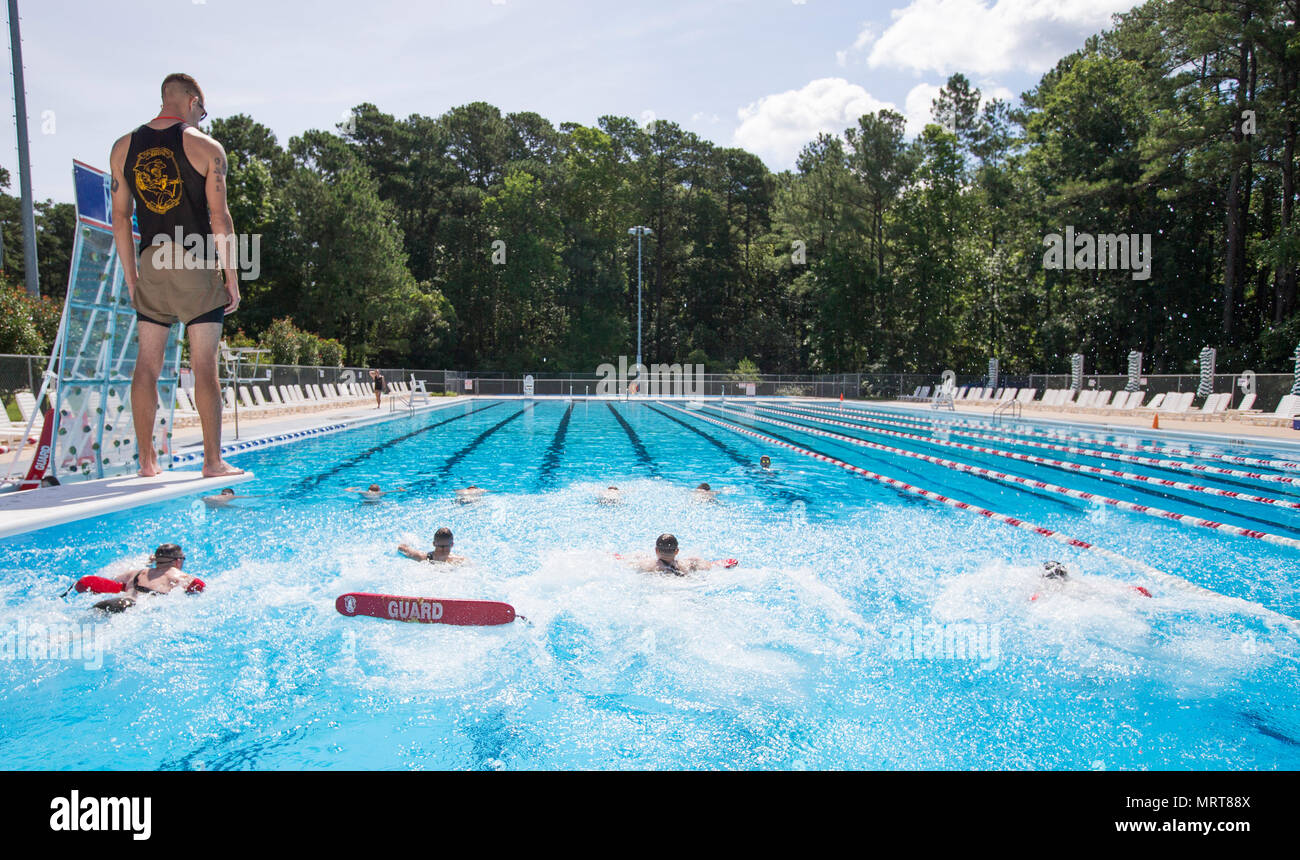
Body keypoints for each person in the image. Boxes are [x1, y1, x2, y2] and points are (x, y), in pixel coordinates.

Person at [110, 73, 242, 479]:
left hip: (151, 261)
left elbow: (120, 216)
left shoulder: (123, 147)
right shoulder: (206, 148)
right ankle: (212, 462)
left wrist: (132, 277)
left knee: (146, 366)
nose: (203, 116)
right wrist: (231, 277)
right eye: (202, 109)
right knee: (204, 365)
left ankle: (146, 463)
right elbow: (219, 219)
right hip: (194, 260)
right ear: (190, 101)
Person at [95, 543, 205, 612]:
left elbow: (106, 583)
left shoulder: (136, 572)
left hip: (113, 602)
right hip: (132, 610)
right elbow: (203, 590)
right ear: (178, 560)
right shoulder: (181, 577)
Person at [1030, 560, 1151, 601]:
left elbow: (1036, 599)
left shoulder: (1049, 586)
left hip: (1077, 600)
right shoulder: (1077, 581)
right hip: (1092, 593)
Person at [633, 534, 729, 575]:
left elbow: (625, 563)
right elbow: (712, 566)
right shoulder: (690, 563)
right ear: (677, 551)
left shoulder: (646, 565)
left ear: (656, 550)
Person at [398, 527, 466, 564]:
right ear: (434, 544)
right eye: (440, 546)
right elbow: (401, 548)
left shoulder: (458, 560)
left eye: (446, 546)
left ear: (452, 545)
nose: (443, 550)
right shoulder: (425, 558)